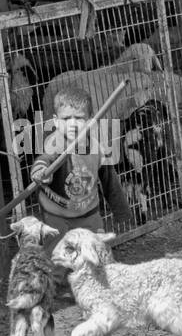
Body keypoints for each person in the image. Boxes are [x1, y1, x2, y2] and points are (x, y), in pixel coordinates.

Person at [29, 85, 132, 253]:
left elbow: (109, 181)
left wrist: (121, 210)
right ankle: (58, 278)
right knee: (57, 260)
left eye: (79, 118)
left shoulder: (97, 149)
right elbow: (44, 160)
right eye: (66, 118)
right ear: (55, 121)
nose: (72, 124)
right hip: (56, 214)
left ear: (90, 120)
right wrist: (40, 173)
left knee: (96, 255)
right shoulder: (54, 145)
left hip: (88, 212)